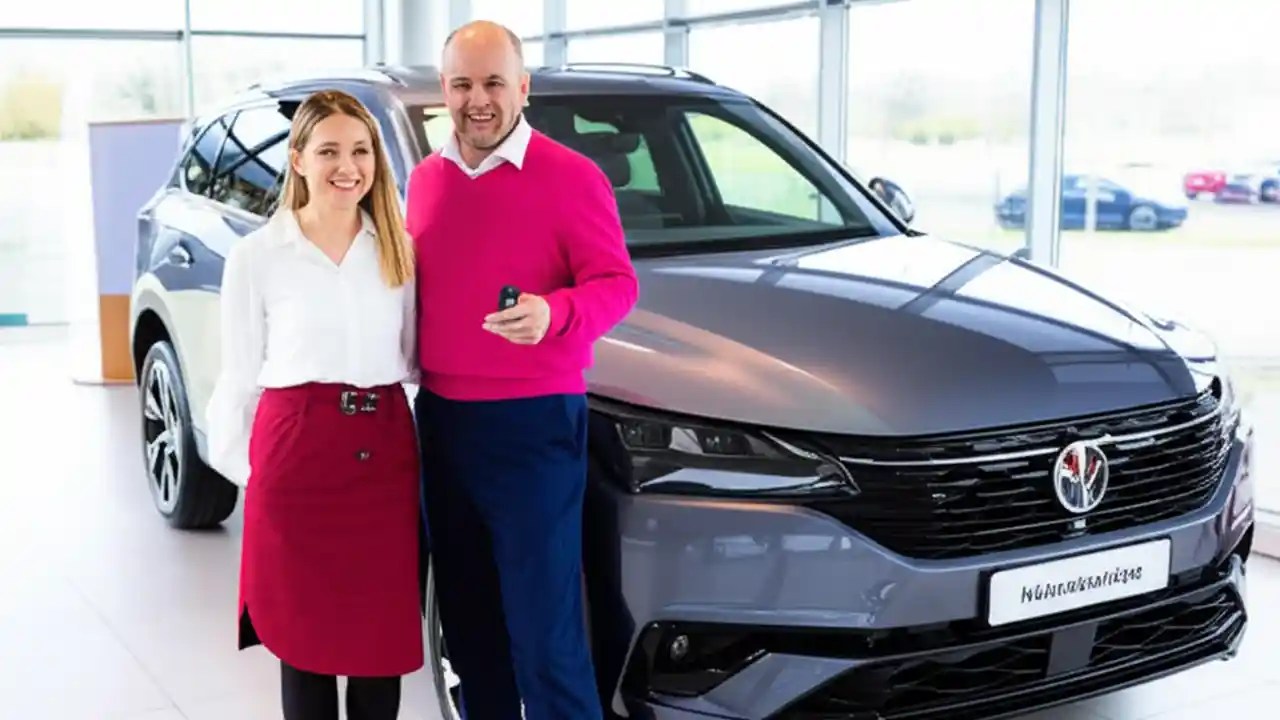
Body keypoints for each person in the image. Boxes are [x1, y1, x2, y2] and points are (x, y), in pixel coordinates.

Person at [404, 19, 639, 720]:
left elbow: (617, 284)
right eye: (463, 84)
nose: (478, 100)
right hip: (442, 424)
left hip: (534, 426)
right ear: (444, 89)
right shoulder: (425, 180)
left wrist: (554, 312)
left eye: (493, 83)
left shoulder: (573, 177)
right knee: (469, 630)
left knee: (545, 635)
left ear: (524, 87)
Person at [205, 89, 423, 720]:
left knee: (379, 645)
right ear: (298, 160)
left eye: (361, 151)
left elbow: (411, 359)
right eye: (328, 151)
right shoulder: (257, 256)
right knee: (304, 645)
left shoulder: (398, 249)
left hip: (383, 458)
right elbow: (239, 373)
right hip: (295, 456)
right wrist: (252, 475)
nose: (347, 167)